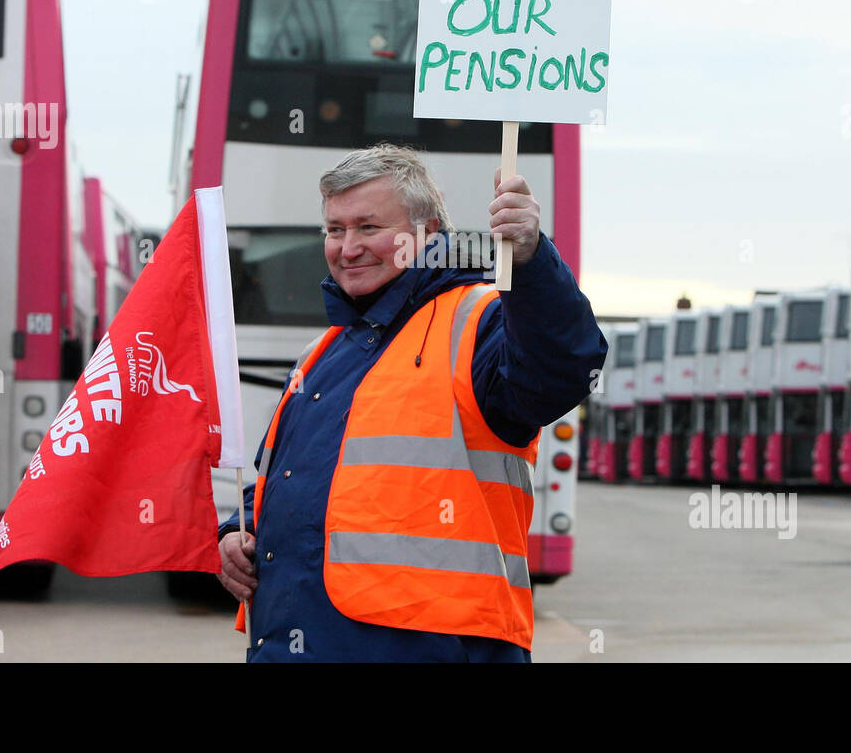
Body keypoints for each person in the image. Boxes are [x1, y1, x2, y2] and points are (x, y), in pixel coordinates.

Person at [217, 143, 606, 662]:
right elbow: (290, 477)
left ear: (428, 233)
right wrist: (236, 531)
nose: (347, 247)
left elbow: (561, 369)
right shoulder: (325, 351)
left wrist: (532, 261)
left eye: (368, 227)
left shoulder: (479, 320)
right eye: (334, 229)